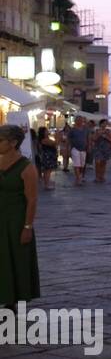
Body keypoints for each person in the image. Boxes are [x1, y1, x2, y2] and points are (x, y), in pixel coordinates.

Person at [0, 124, 40, 309]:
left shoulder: (26, 168)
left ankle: (12, 301)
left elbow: (31, 200)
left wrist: (27, 227)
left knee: (14, 260)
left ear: (13, 143)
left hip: (15, 220)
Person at [67, 116, 90, 186]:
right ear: (75, 121)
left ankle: (79, 176)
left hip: (83, 149)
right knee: (77, 164)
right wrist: (68, 149)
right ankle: (78, 178)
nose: (79, 121)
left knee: (82, 165)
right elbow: (69, 139)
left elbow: (88, 138)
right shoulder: (72, 130)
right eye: (78, 120)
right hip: (75, 149)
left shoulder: (86, 129)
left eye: (80, 120)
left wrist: (89, 146)